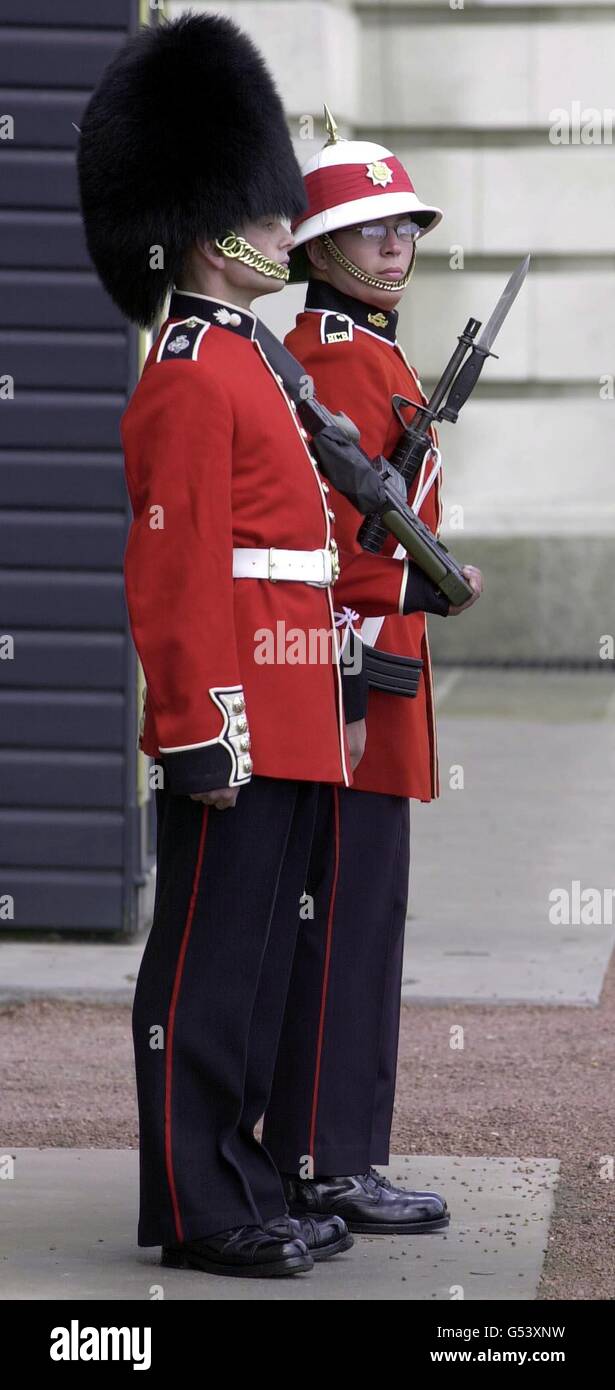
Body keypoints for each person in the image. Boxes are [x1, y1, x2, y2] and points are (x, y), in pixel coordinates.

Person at [77, 18, 435, 1278]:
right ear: (211, 221)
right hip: (231, 709)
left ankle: (247, 1177)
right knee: (206, 970)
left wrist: (322, 691)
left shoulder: (255, 363)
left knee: (267, 963)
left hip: (287, 698)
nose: (291, 229)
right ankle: (195, 1205)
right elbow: (175, 571)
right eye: (269, 211)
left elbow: (304, 555)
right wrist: (195, 729)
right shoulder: (187, 369)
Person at [262, 110, 483, 1234]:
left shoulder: (369, 351)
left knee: (355, 918)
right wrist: (424, 582)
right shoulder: (335, 361)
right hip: (351, 676)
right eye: (368, 228)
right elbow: (345, 553)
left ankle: (331, 1148)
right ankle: (329, 1158)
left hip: (375, 673)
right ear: (317, 247)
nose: (394, 244)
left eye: (401, 225)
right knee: (344, 925)